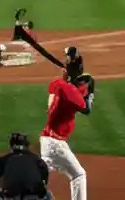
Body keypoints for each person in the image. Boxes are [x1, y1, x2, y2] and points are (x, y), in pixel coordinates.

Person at [40, 48, 93, 200]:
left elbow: (61, 90)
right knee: (79, 175)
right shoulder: (73, 93)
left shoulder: (57, 84)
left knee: (39, 176)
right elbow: (86, 109)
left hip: (46, 139)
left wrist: (66, 78)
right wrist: (90, 91)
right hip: (57, 144)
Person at [0, 132, 51, 200]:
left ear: (11, 145)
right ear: (26, 145)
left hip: (11, 197)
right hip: (35, 196)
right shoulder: (37, 159)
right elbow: (45, 176)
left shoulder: (3, 160)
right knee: (48, 195)